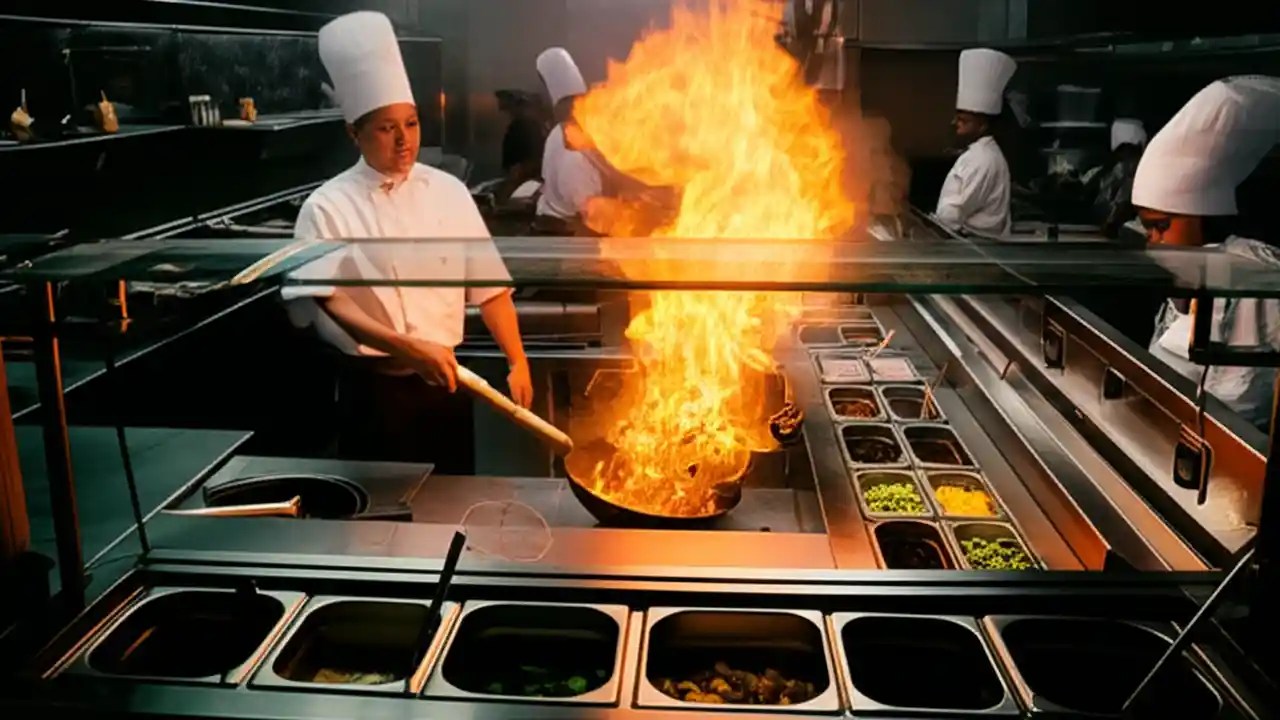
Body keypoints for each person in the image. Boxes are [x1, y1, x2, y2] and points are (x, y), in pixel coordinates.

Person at [283, 11, 532, 471]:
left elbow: (490, 286)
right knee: (380, 525)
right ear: (353, 133)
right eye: (386, 127)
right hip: (373, 394)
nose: (404, 141)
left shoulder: (449, 191)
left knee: (452, 508)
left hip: (448, 386)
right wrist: (407, 348)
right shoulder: (326, 207)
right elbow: (330, 302)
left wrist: (517, 360)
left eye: (412, 124)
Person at [1133, 75, 1280, 430]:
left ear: (1205, 215)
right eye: (1148, 228)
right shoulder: (1189, 272)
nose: (1153, 242)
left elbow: (1248, 400)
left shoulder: (1260, 278)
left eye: (1162, 226)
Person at [934, 48, 1018, 237]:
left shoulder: (982, 160)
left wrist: (938, 223)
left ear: (982, 125)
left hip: (975, 246)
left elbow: (955, 212)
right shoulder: (979, 154)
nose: (956, 124)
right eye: (957, 118)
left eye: (964, 120)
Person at [533, 47, 605, 235]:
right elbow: (588, 214)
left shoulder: (560, 133)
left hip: (554, 223)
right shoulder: (573, 152)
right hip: (564, 236)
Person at [1092, 118, 1148, 238]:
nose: (1128, 161)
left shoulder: (1141, 175)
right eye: (1122, 152)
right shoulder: (1106, 173)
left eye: (1131, 152)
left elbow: (1122, 205)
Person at [495, 89, 547, 203]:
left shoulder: (524, 127)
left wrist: (513, 180)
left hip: (524, 182)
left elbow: (531, 160)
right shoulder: (522, 126)